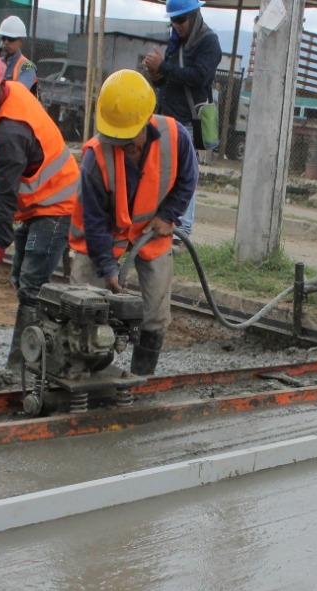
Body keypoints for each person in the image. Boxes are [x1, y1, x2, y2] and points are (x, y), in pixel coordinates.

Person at [0, 43, 79, 370]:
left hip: (55, 204)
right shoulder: (8, 95)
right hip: (38, 204)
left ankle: (23, 364)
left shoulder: (9, 131)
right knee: (21, 277)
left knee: (32, 286)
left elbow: (4, 195)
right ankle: (38, 347)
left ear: (0, 83)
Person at [68, 69, 197, 377]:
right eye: (117, 140)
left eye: (128, 140)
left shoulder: (175, 137)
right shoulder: (95, 158)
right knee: (84, 307)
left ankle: (141, 378)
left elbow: (188, 180)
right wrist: (108, 269)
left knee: (154, 313)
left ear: (145, 122)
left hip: (151, 232)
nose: (123, 147)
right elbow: (95, 222)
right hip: (101, 237)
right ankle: (86, 376)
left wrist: (168, 215)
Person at [141, 0, 220, 242]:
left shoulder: (209, 42)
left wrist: (163, 66)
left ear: (195, 15)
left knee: (186, 172)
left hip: (188, 119)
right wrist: (156, 76)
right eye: (173, 21)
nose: (176, 26)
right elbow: (170, 81)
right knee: (163, 171)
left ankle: (182, 230)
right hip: (166, 116)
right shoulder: (176, 42)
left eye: (180, 20)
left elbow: (199, 76)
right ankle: (163, 220)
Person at [0, 15, 39, 210]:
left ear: (20, 40)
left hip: (14, 123)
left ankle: (8, 203)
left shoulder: (27, 66)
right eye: (3, 38)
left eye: (10, 39)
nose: (5, 43)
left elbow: (19, 90)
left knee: (10, 165)